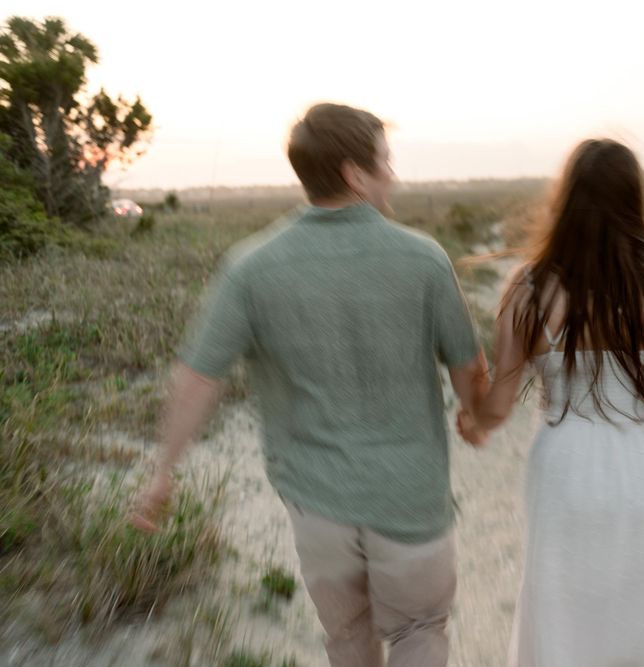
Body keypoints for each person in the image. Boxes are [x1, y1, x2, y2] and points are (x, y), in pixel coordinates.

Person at [131, 102, 489, 667]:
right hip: (410, 498)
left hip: (318, 505)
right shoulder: (424, 259)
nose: (392, 174)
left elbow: (197, 376)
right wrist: (475, 416)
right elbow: (470, 369)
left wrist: (162, 472)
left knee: (347, 638)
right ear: (354, 173)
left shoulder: (250, 266)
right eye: (385, 162)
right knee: (420, 629)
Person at [458, 138, 644, 666]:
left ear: (565, 199)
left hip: (567, 467)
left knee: (559, 613)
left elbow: (499, 408)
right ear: (636, 200)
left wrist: (473, 415)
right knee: (641, 617)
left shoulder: (530, 288)